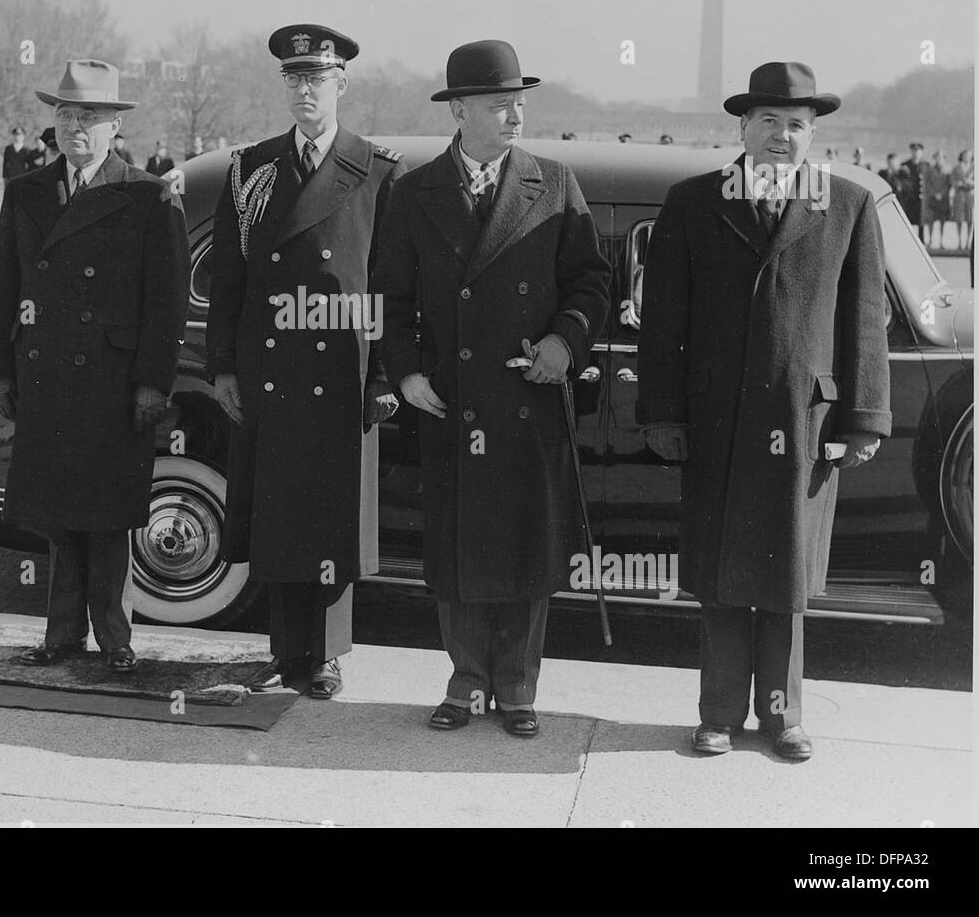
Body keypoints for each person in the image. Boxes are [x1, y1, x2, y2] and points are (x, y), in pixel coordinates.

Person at [637, 62, 890, 762]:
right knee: (720, 576)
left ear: (814, 134)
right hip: (717, 422)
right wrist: (662, 412)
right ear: (744, 127)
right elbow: (664, 320)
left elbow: (864, 320)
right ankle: (717, 713)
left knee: (786, 575)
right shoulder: (692, 202)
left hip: (804, 424)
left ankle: (785, 719)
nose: (784, 137)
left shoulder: (846, 206)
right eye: (770, 122)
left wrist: (863, 420)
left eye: (798, 125)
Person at [375, 39, 610, 737]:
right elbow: (386, 296)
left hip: (529, 402)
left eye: (518, 102)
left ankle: (517, 689)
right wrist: (408, 371)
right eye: (499, 104)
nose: (515, 115)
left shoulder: (554, 183)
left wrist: (564, 344)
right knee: (458, 552)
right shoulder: (413, 192)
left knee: (526, 550)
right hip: (451, 402)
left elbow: (593, 281)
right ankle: (465, 684)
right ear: (460, 111)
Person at [206, 24, 405, 700]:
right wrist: (224, 370)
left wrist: (383, 376)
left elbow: (391, 286)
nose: (304, 91)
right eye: (293, 79)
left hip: (342, 374)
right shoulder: (251, 167)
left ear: (341, 83)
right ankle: (285, 652)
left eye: (316, 79)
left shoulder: (379, 170)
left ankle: (323, 655)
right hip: (271, 374)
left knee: (331, 521)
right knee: (280, 519)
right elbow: (229, 282)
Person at [0, 59, 189, 674]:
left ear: (114, 127)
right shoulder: (25, 192)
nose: (76, 127)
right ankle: (61, 635)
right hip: (45, 374)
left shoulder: (148, 196)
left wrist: (154, 380)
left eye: (90, 117)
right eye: (67, 115)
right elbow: (4, 285)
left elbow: (168, 301)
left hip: (112, 381)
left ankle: (116, 640)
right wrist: (0, 367)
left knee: (106, 516)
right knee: (56, 515)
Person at [921, 150, 952, 250]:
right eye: (937, 158)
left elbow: (949, 184)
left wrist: (941, 193)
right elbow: (927, 184)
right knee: (931, 221)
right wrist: (934, 193)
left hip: (943, 199)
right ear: (934, 159)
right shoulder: (929, 170)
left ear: (944, 159)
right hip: (932, 199)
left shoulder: (947, 170)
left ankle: (941, 241)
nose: (939, 160)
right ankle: (930, 240)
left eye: (941, 158)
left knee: (942, 221)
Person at [901, 141, 930, 244]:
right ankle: (908, 242)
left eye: (918, 151)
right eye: (913, 151)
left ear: (921, 152)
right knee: (908, 221)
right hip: (910, 199)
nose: (915, 153)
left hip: (921, 200)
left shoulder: (926, 166)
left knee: (921, 222)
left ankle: (921, 242)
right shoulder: (905, 165)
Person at [950, 148, 973, 252]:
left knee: (970, 219)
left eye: (968, 155)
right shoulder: (956, 168)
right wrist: (959, 184)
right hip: (959, 195)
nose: (966, 157)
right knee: (959, 219)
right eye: (965, 155)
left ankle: (968, 242)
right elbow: (953, 181)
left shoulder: (974, 168)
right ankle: (959, 241)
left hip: (970, 194)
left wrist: (972, 183)